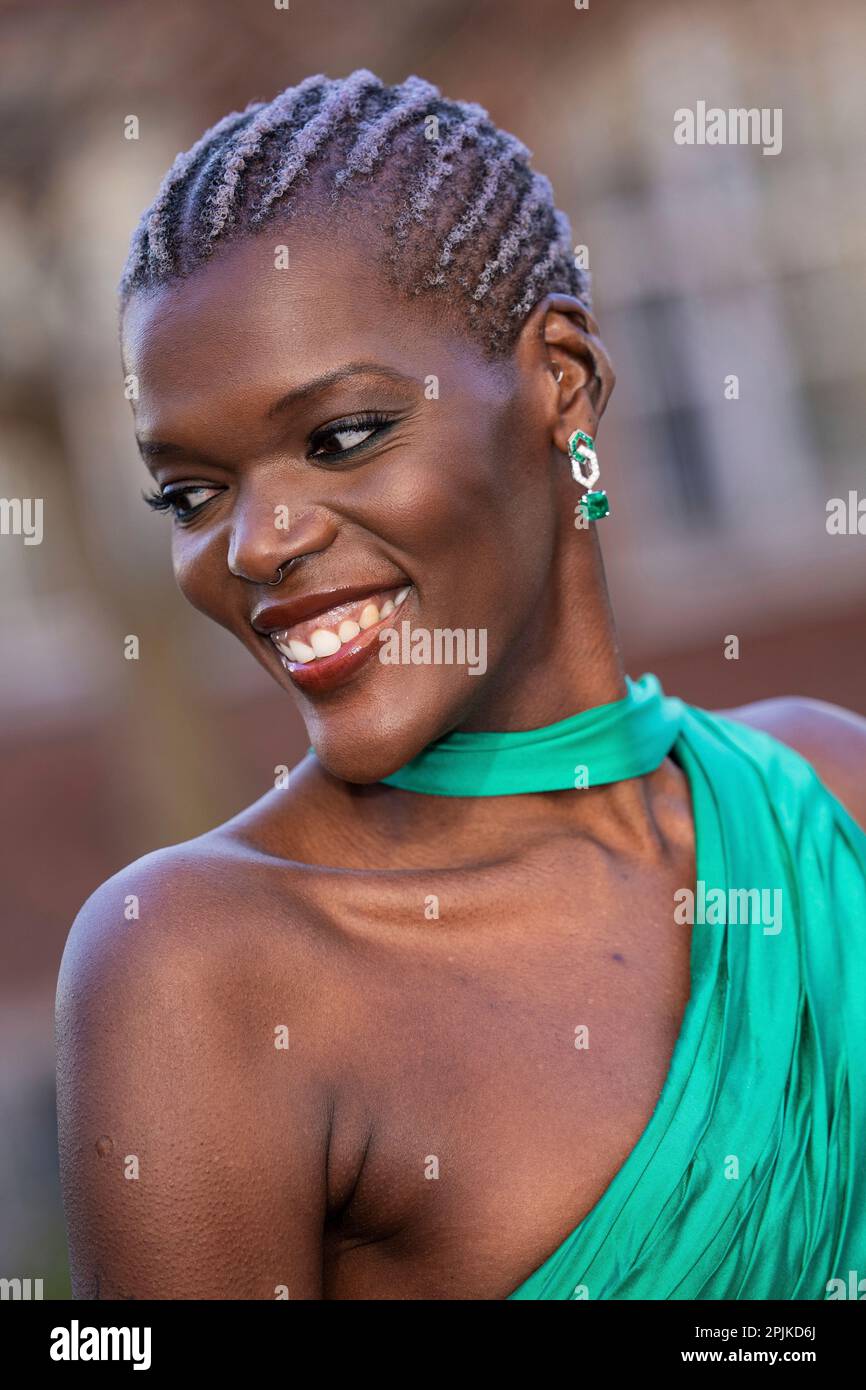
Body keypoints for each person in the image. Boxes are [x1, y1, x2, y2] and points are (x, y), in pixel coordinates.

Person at [56, 70, 866, 1301]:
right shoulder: (199, 965)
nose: (254, 544)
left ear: (561, 381)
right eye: (189, 493)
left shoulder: (829, 800)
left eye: (339, 437)